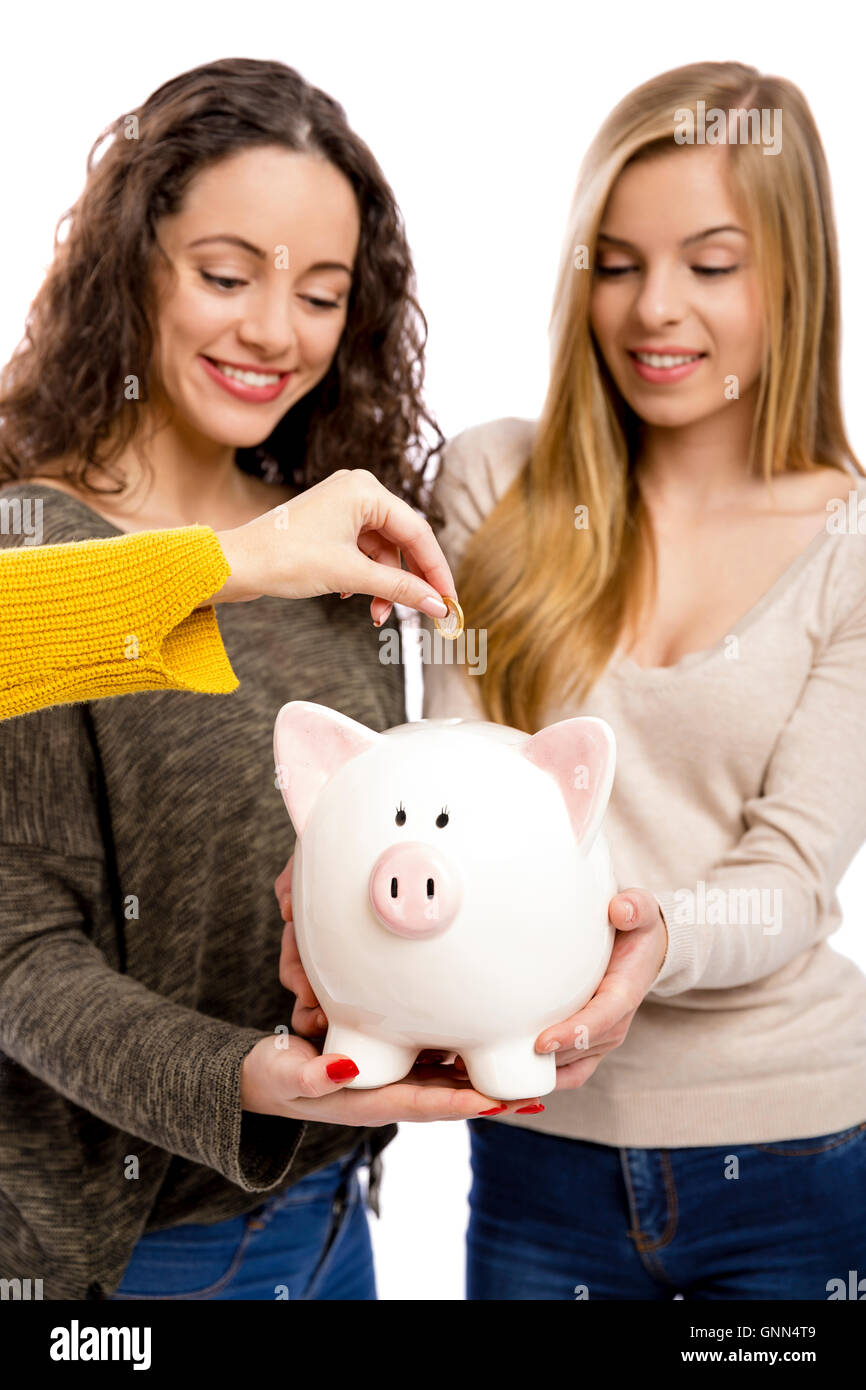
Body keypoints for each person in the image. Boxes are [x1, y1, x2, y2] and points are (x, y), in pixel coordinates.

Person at [288, 59, 866, 1299]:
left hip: (793, 1151)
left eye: (711, 264)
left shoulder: (850, 550)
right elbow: (455, 777)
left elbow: (786, 873)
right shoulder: (495, 486)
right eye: (615, 261)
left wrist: (644, 941)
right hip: (536, 1145)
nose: (654, 308)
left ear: (795, 272)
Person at [0, 57, 535, 1303]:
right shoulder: (34, 549)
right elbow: (18, 953)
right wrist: (240, 1077)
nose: (272, 331)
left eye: (321, 293)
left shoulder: (331, 548)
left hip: (333, 1219)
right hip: (130, 1263)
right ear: (133, 262)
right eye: (227, 274)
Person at [0, 473, 456, 720]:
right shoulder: (36, 523)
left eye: (319, 300)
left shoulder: (349, 549)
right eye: (226, 289)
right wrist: (235, 558)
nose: (271, 336)